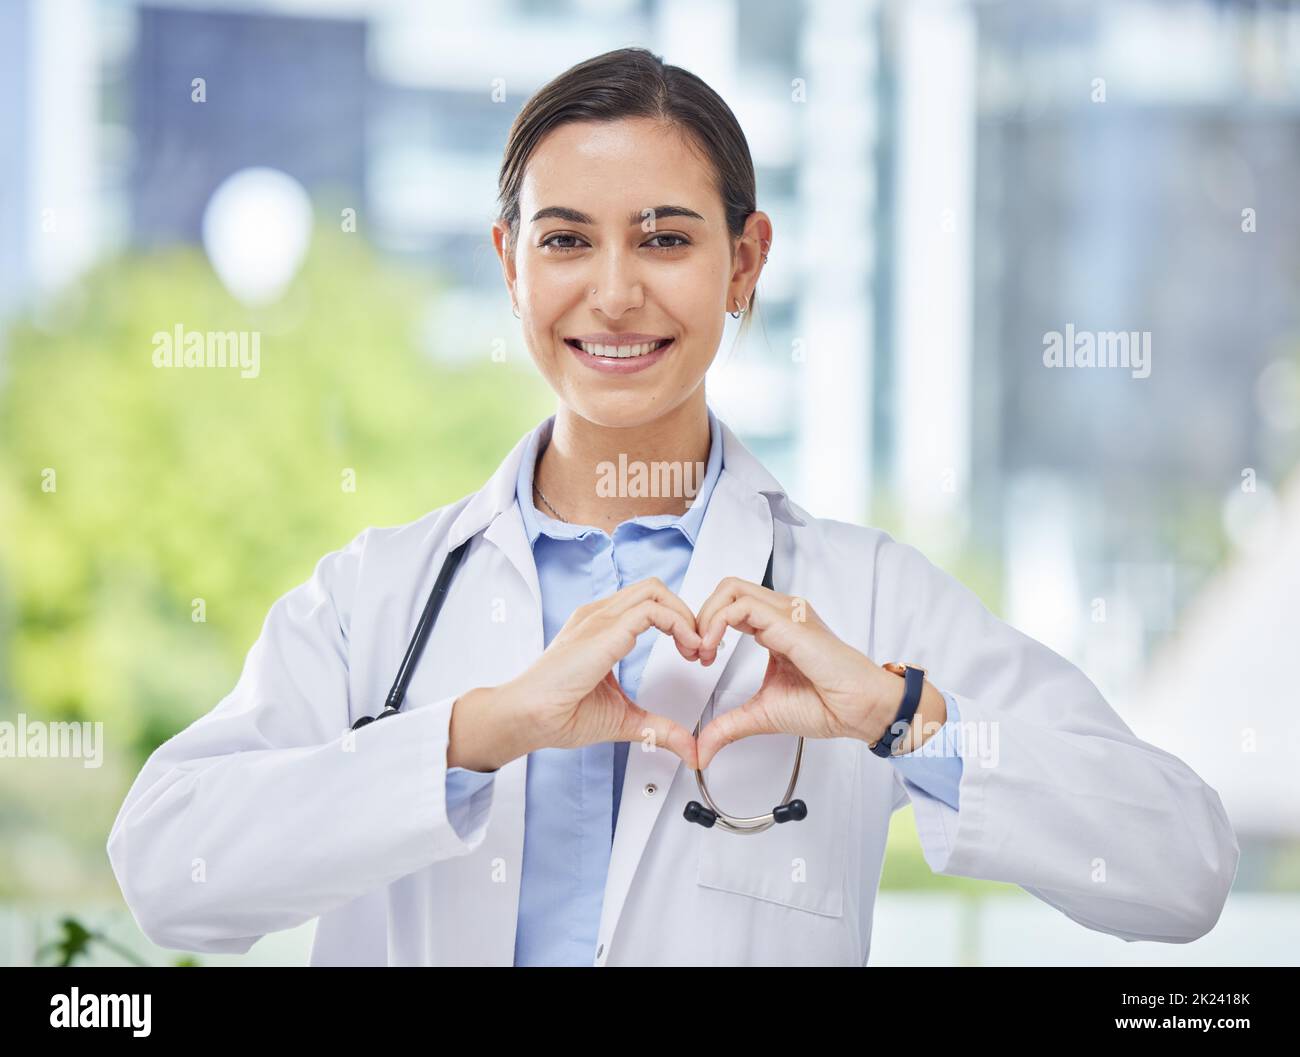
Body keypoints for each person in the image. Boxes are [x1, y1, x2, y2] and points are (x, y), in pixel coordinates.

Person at [107, 46, 1239, 967]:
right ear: (509, 263)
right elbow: (169, 875)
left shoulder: (865, 597)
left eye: (665, 238)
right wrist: (478, 732)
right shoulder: (378, 597)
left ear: (745, 264)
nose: (613, 291)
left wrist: (902, 716)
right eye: (564, 240)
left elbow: (1177, 869)